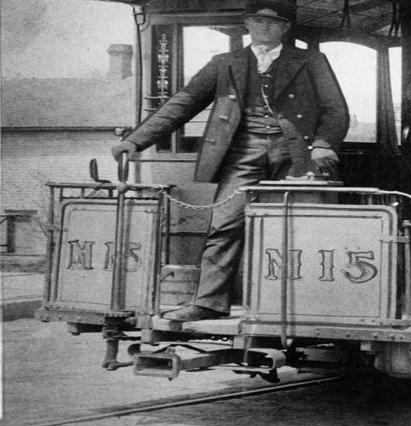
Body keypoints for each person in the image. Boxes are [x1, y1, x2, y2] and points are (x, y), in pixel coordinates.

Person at [110, 0, 349, 322]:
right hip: (243, 153)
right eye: (258, 21)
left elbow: (335, 109)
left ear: (285, 28)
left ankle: (306, 308)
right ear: (247, 24)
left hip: (296, 153)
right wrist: (135, 140)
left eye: (273, 22)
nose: (264, 27)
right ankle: (208, 302)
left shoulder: (311, 60)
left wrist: (322, 145)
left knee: (301, 229)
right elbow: (184, 101)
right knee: (224, 223)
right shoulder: (225, 63)